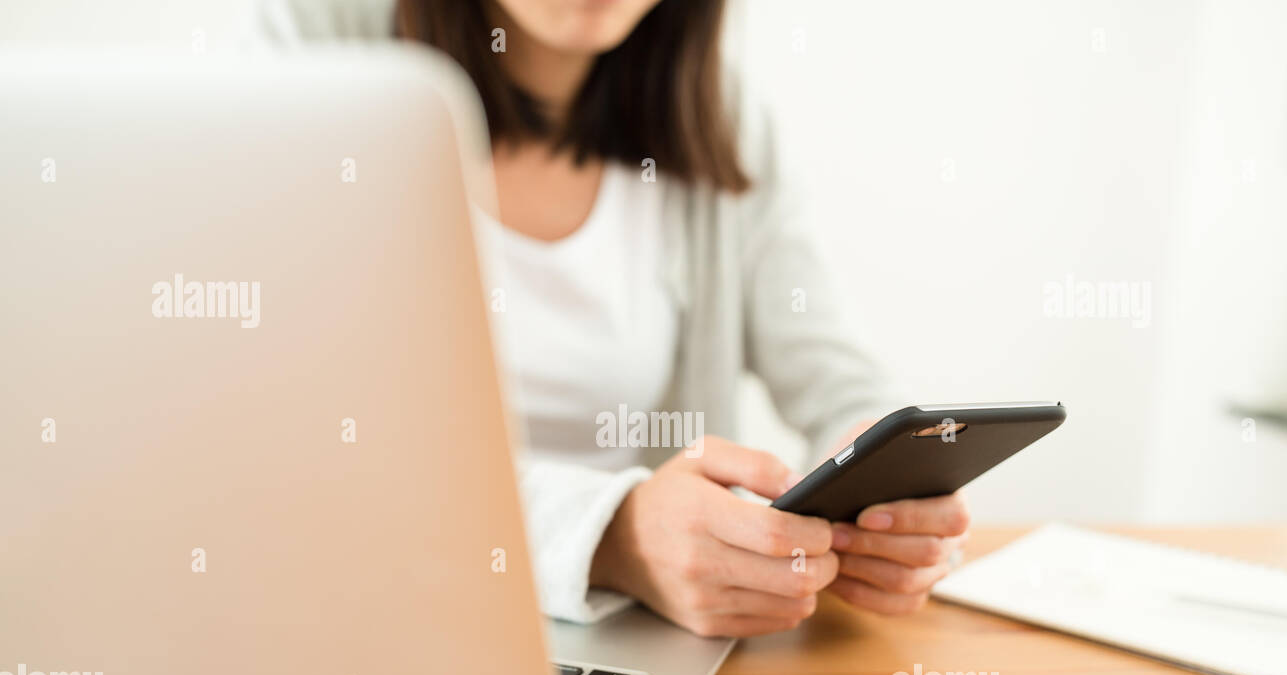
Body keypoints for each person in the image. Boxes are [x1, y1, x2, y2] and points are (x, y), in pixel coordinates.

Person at [253, 0, 971, 637]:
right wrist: (612, 538)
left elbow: (842, 385)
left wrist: (882, 495)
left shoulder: (719, 118)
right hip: (369, 627)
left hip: (635, 652)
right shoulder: (316, 53)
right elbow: (304, 446)